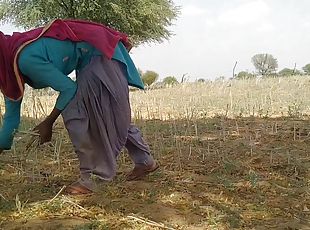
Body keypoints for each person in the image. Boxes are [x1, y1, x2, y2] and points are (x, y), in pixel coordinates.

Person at [0, 19, 158, 195]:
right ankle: (144, 161)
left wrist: (48, 122)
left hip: (100, 54)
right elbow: (11, 117)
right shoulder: (8, 68)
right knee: (109, 114)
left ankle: (95, 178)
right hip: (92, 57)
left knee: (80, 113)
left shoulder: (25, 60)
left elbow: (69, 88)